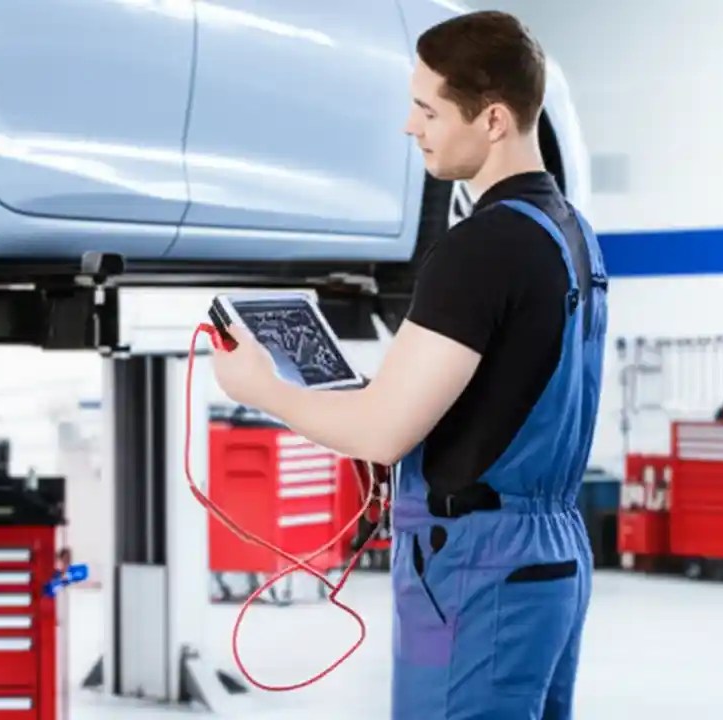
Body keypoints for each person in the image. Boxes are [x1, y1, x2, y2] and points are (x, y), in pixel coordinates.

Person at [211, 10, 607, 720]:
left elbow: (381, 435)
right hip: (550, 557)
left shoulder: (479, 249)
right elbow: (499, 392)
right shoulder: (571, 235)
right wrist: (378, 396)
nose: (410, 125)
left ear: (491, 121)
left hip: (477, 568)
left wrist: (263, 389)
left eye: (428, 108)